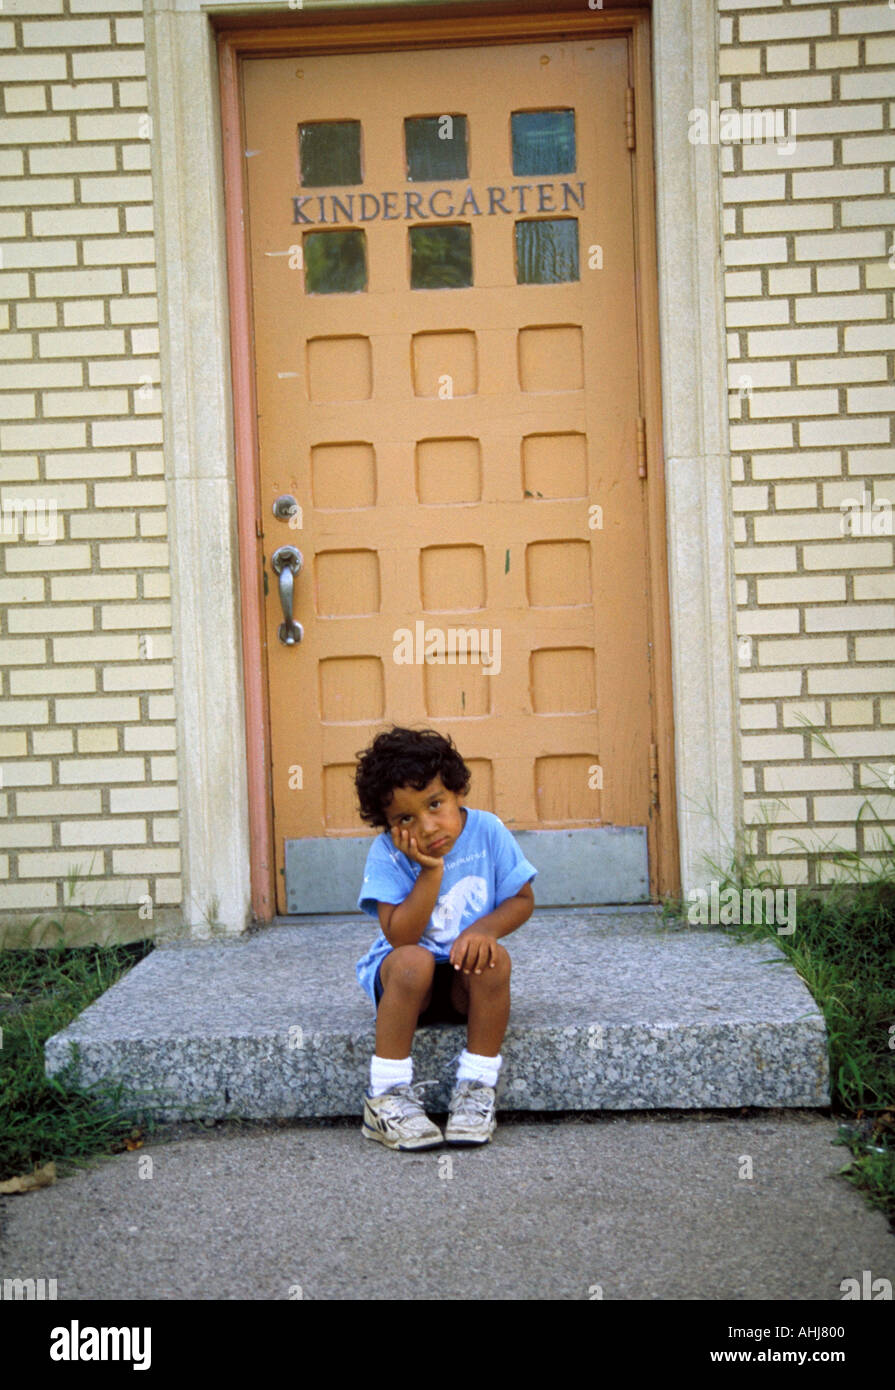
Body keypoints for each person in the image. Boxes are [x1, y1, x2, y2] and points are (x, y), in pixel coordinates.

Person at [354, 725, 537, 1150]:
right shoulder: (387, 852)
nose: (428, 826)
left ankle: (476, 1088)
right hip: (406, 984)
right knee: (413, 960)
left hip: (462, 983)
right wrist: (430, 871)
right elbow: (401, 937)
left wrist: (484, 929)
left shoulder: (488, 831)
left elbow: (523, 899)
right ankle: (387, 1096)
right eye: (406, 818)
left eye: (435, 804)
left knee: (496, 959)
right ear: (388, 824)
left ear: (457, 793)